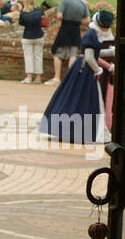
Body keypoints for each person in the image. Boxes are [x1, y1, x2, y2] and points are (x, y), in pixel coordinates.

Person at [39, 9, 115, 145]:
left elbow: (94, 52)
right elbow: (90, 57)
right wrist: (98, 70)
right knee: (87, 101)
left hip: (84, 68)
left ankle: (75, 130)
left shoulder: (92, 33)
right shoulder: (91, 35)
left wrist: (111, 51)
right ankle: (77, 131)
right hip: (85, 70)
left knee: (78, 99)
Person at [46, 0, 89, 84]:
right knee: (73, 54)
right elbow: (87, 20)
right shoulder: (83, 3)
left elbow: (59, 15)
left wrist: (64, 18)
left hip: (65, 28)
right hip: (76, 29)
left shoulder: (65, 0)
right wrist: (78, 22)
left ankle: (57, 77)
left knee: (57, 52)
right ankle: (70, 79)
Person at [17, 0, 45, 82]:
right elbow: (43, 20)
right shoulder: (39, 10)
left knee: (28, 56)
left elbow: (21, 23)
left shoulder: (23, 13)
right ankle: (38, 78)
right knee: (38, 56)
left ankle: (29, 77)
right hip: (38, 35)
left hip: (27, 35)